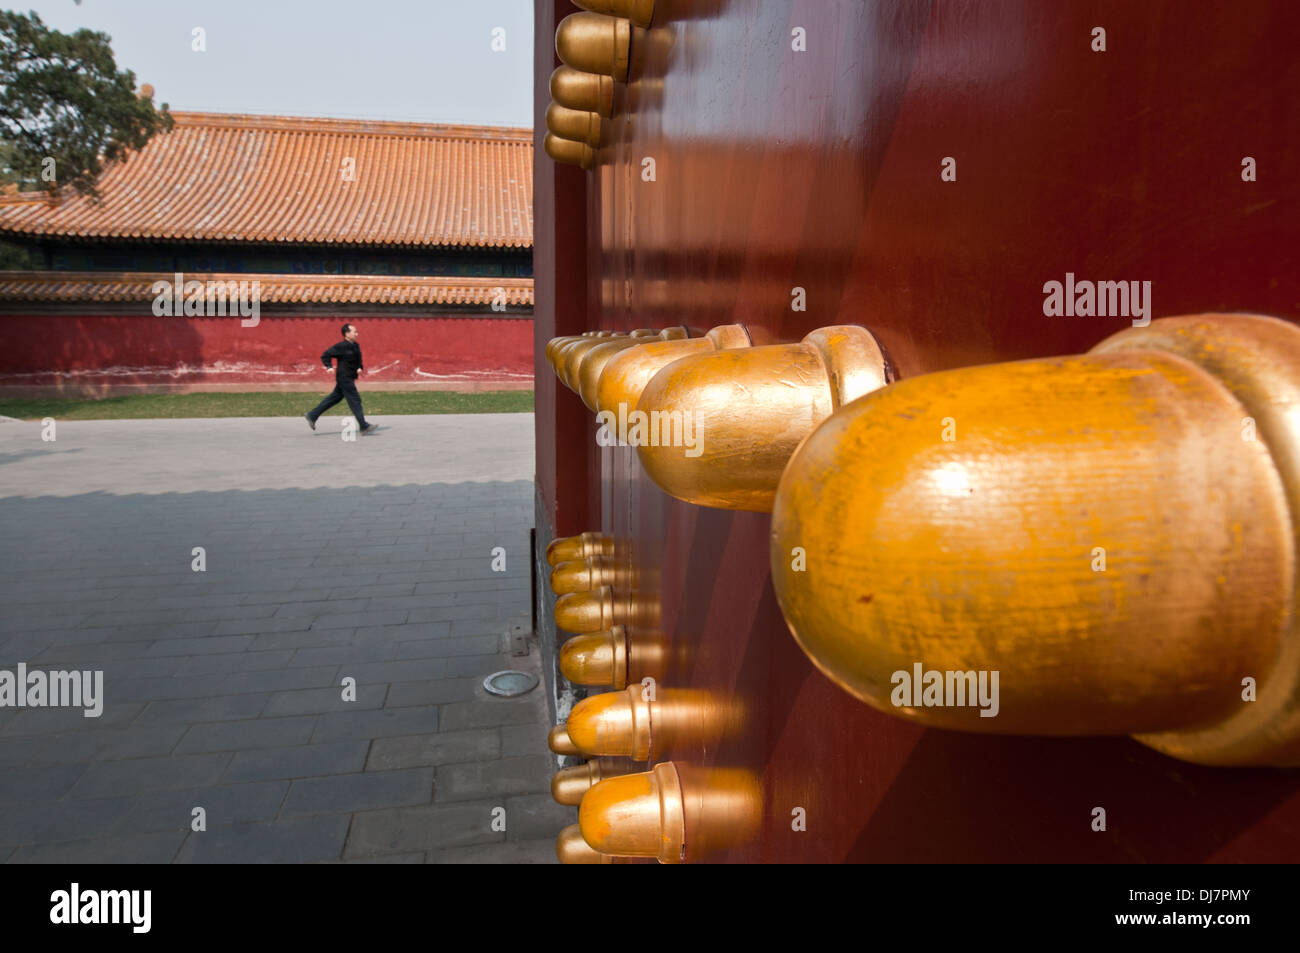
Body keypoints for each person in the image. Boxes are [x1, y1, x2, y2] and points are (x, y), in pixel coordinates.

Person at [305, 323, 377, 434]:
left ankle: (312, 415)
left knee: (335, 398)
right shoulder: (341, 346)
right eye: (355, 332)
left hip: (349, 377)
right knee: (355, 400)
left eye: (357, 332)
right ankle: (363, 426)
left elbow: (358, 360)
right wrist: (328, 366)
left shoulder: (355, 345)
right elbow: (325, 355)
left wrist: (359, 367)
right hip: (344, 377)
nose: (357, 334)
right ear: (347, 334)